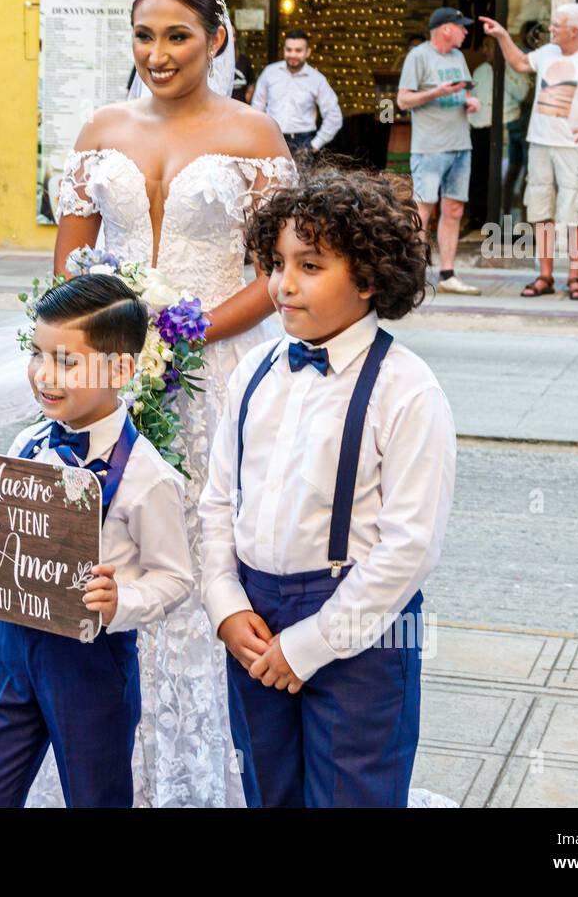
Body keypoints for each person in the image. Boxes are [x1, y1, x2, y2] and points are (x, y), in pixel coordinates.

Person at [0, 0, 295, 809]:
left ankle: (184, 769)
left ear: (217, 39)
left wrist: (180, 335)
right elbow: (70, 260)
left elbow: (274, 273)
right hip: (99, 371)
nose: (159, 53)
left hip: (212, 370)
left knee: (195, 550)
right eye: (144, 35)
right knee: (86, 539)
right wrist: (111, 342)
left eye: (178, 36)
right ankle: (81, 746)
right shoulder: (100, 128)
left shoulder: (257, 138)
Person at [200, 167, 456, 807]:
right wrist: (225, 601)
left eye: (310, 266)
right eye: (277, 263)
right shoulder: (254, 370)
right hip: (254, 622)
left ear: (368, 277)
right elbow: (216, 501)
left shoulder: (407, 390)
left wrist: (314, 643)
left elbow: (408, 549)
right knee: (267, 788)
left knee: (353, 794)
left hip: (359, 632)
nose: (283, 285)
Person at [0, 274, 195, 807]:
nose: (45, 375)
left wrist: (123, 601)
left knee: (96, 796)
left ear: (121, 369)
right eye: (37, 354)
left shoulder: (148, 477)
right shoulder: (28, 443)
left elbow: (175, 577)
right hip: (13, 654)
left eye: (67, 361)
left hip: (91, 664)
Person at [481, 5, 578, 301]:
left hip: (574, 148)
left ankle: (575, 277)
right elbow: (518, 63)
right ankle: (545, 276)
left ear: (574, 31)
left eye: (556, 25)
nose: (550, 29)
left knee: (575, 213)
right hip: (541, 144)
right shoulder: (547, 53)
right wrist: (502, 36)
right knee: (541, 211)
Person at [397, 8, 482, 295]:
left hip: (461, 143)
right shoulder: (418, 56)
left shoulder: (458, 57)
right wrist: (436, 92)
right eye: (462, 27)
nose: (466, 32)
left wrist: (470, 101)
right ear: (446, 28)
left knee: (454, 209)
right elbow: (403, 100)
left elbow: (463, 91)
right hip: (430, 145)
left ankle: (448, 273)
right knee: (424, 209)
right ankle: (415, 274)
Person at [467, 38, 529, 230]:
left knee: (503, 175)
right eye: (484, 45)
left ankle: (505, 221)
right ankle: (478, 218)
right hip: (480, 129)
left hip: (505, 129)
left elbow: (522, 93)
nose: (484, 50)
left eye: (488, 46)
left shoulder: (515, 68)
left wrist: (501, 70)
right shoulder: (480, 71)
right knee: (478, 175)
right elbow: (473, 99)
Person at [252, 29, 342, 154]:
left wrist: (315, 144)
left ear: (308, 52)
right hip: (272, 138)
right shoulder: (269, 72)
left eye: (298, 50)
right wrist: (259, 136)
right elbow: (256, 109)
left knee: (302, 175)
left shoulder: (317, 79)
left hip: (303, 142)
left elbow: (334, 115)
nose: (293, 54)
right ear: (284, 50)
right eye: (289, 50)